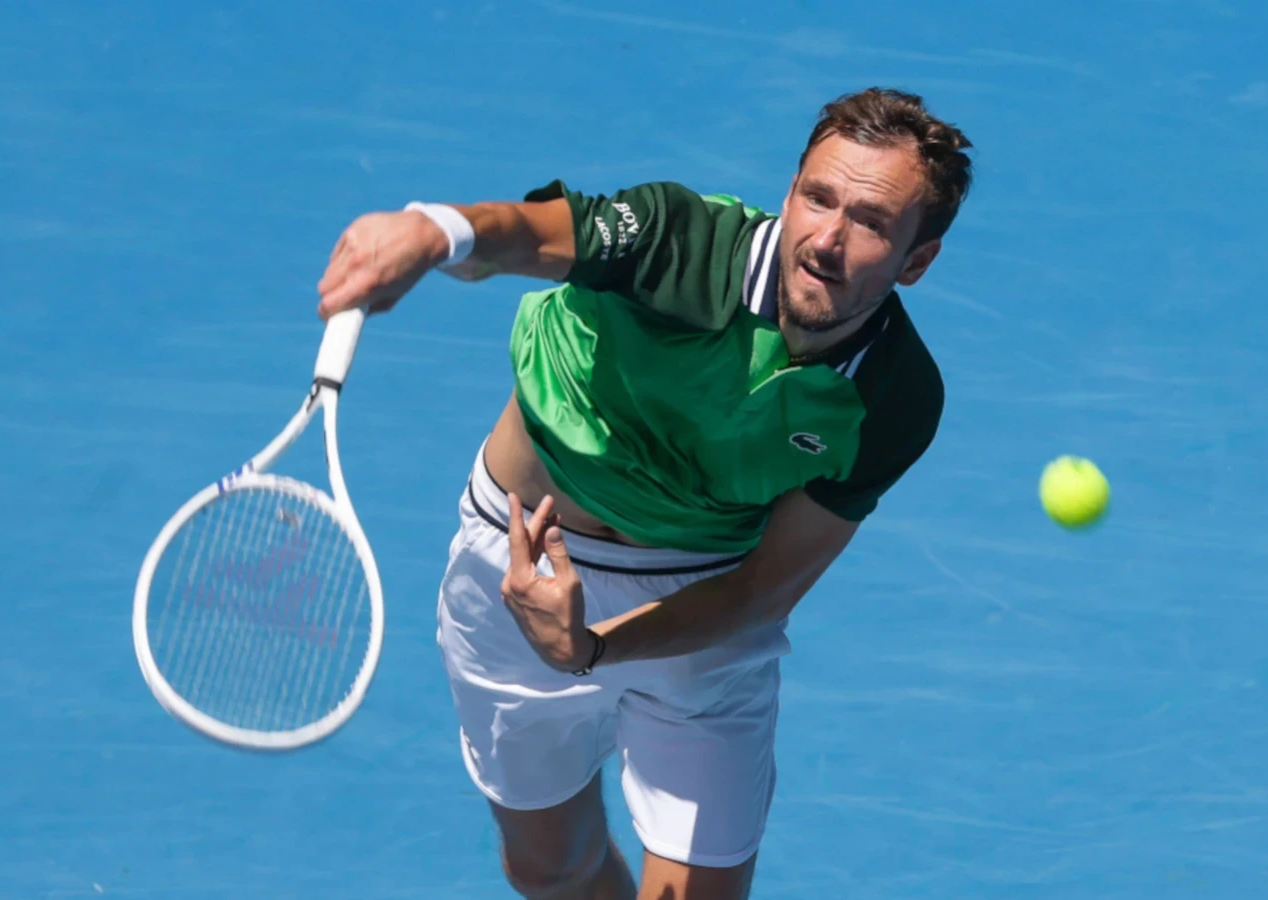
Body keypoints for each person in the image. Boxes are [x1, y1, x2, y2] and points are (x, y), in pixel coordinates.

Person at [315, 87, 974, 900]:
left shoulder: (895, 397)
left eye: (870, 222)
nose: (826, 240)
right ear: (791, 191)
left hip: (704, 603)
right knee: (549, 869)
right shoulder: (678, 239)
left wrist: (595, 647)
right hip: (520, 573)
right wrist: (434, 229)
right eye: (817, 198)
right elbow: (525, 235)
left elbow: (762, 590)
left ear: (917, 260)